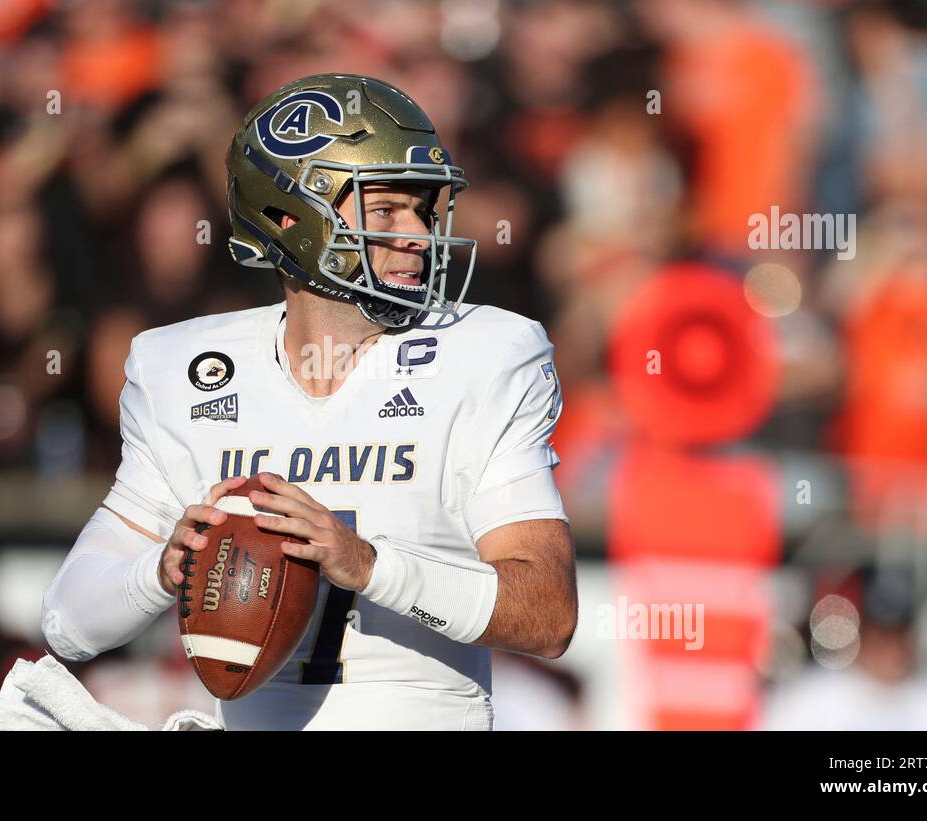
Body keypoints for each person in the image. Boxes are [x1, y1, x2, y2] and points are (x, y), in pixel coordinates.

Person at [41, 74, 577, 730]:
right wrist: (160, 570)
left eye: (423, 208)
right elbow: (67, 621)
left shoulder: (483, 354)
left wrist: (371, 565)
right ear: (292, 219)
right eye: (385, 210)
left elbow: (549, 615)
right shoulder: (185, 371)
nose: (417, 234)